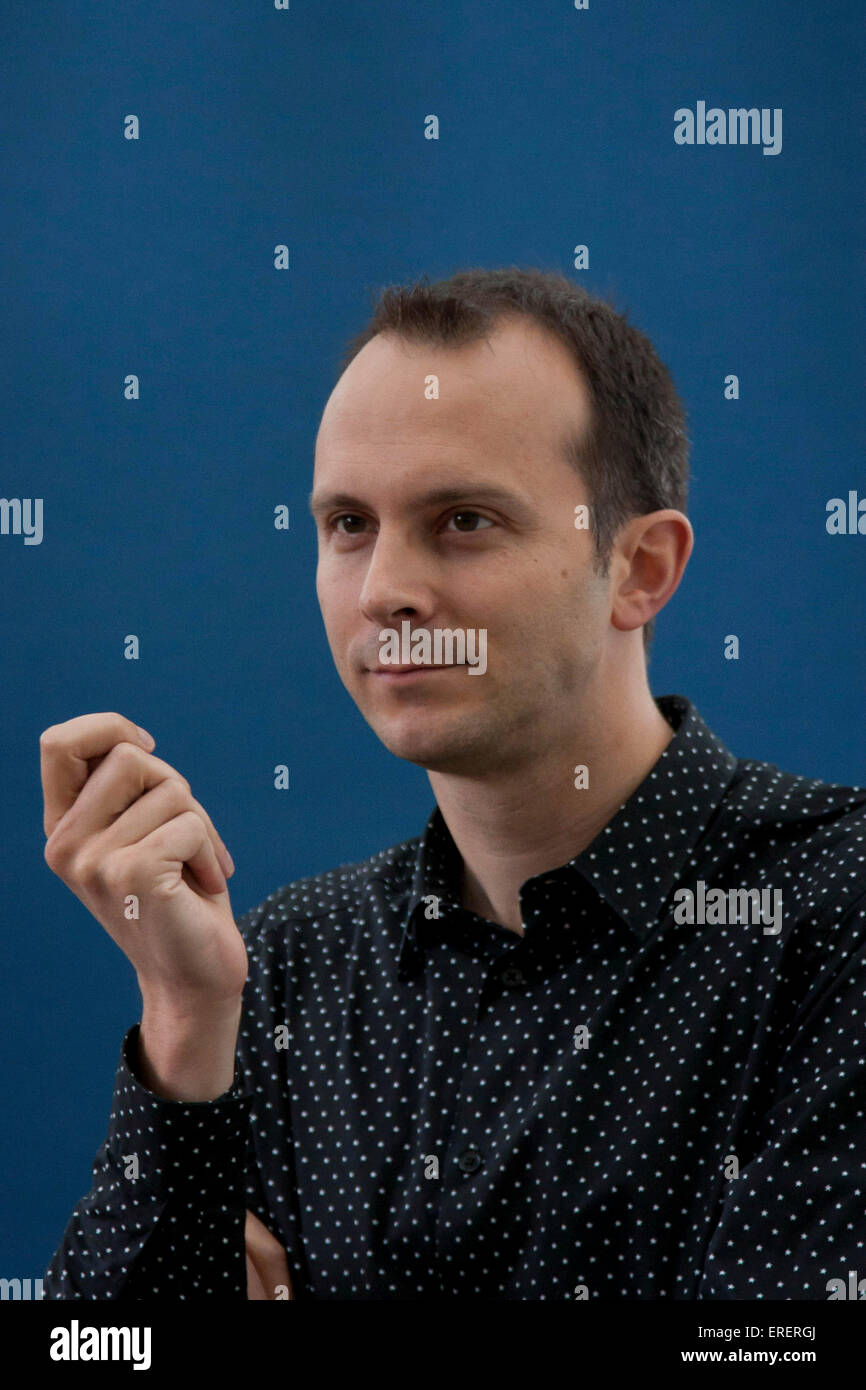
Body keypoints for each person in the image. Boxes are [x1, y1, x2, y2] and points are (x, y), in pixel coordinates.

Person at [41, 268, 866, 1300]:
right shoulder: (284, 966)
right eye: (348, 524)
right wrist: (182, 1017)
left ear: (640, 568)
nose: (385, 589)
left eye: (463, 520)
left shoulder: (834, 920)